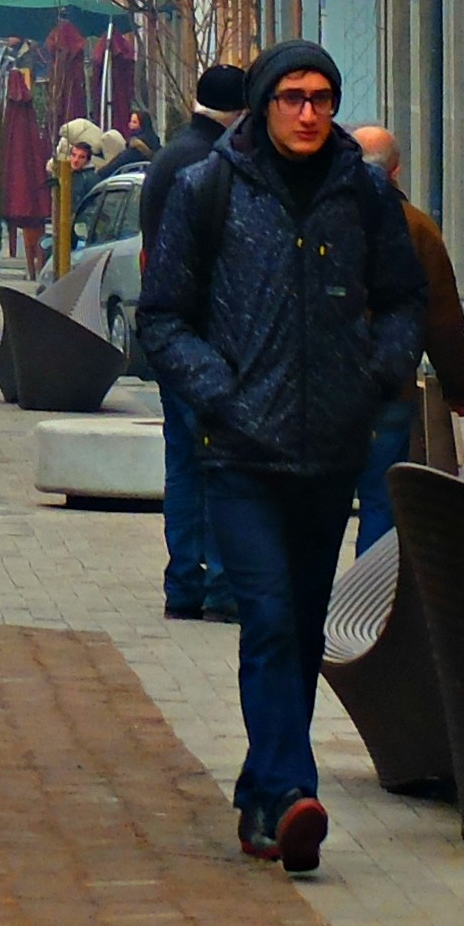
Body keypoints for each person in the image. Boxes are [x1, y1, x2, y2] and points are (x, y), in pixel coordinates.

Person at [137, 43, 423, 875]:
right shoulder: (209, 190)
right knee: (264, 617)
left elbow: (406, 297)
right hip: (240, 452)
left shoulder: (362, 193)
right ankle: (296, 790)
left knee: (300, 624)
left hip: (330, 448)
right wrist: (220, 394)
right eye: (294, 97)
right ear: (263, 103)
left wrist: (375, 376)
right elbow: (162, 318)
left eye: (324, 98)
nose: (309, 113)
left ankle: (267, 793)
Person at [141, 62, 249, 622]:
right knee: (221, 462)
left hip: (166, 328)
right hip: (206, 334)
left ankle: (183, 580)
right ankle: (223, 586)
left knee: (183, 463)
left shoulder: (168, 154)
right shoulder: (217, 164)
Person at [348, 125, 464, 550]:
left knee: (320, 503)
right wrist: (461, 388)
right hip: (390, 384)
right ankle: (371, 602)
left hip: (324, 386)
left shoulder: (322, 218)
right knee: (380, 499)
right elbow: (441, 317)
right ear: (397, 170)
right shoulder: (417, 228)